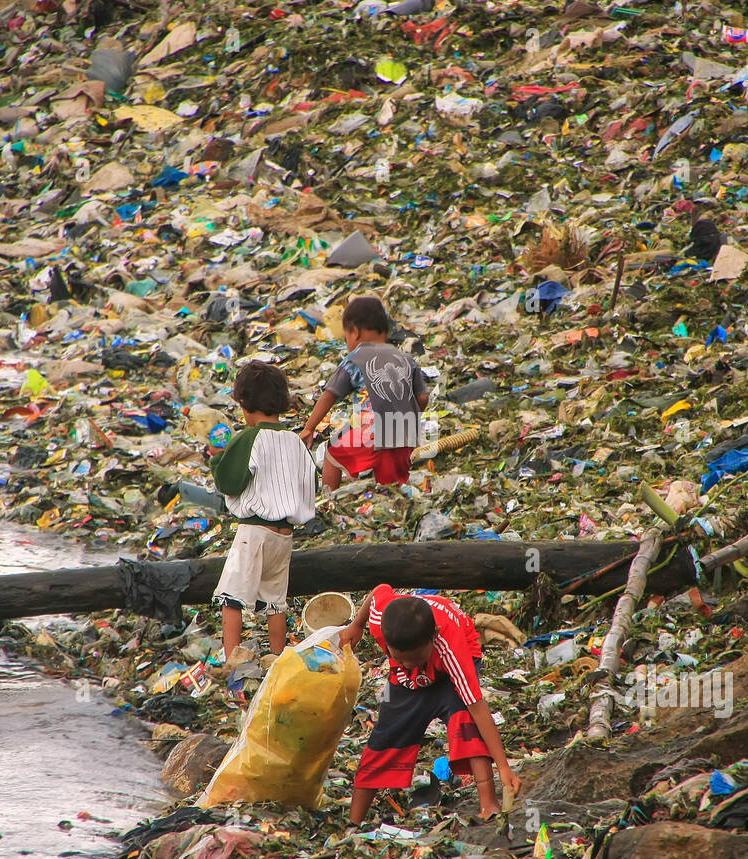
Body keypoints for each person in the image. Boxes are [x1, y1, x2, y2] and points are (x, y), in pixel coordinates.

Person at [339, 584, 521, 823]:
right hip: (406, 683)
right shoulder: (380, 621)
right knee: (384, 738)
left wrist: (504, 767)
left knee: (465, 724)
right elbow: (380, 590)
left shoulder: (450, 648)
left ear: (433, 637)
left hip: (449, 671)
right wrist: (356, 626)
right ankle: (354, 822)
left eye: (415, 659)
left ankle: (489, 805)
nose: (408, 664)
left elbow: (477, 707)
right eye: (398, 657)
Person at [210, 361, 318, 659]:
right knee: (274, 600)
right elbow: (311, 484)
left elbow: (230, 482)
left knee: (232, 597)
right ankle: (278, 657)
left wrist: (217, 459)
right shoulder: (294, 441)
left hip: (254, 533)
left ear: (244, 403)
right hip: (284, 535)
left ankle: (232, 656)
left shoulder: (249, 438)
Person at [299, 296, 429, 490]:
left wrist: (309, 428)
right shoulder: (405, 358)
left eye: (346, 337)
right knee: (390, 487)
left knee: (332, 454)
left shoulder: (356, 358)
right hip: (405, 435)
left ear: (356, 332)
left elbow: (330, 394)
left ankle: (329, 502)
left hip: (372, 434)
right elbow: (423, 397)